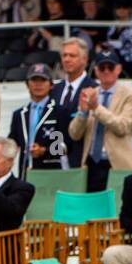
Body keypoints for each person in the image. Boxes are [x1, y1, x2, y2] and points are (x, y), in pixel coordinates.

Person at [69, 49, 132, 193]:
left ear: (118, 69)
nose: (106, 71)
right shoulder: (89, 94)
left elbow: (123, 127)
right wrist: (83, 113)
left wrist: (96, 108)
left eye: (110, 67)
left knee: (118, 205)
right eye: (102, 68)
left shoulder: (131, 95)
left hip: (117, 164)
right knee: (92, 206)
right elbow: (74, 134)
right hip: (91, 164)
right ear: (96, 71)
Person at [8, 64, 65, 177]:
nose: (38, 84)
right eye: (34, 80)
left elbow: (67, 146)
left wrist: (44, 150)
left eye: (43, 80)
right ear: (27, 84)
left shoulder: (60, 111)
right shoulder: (19, 114)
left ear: (51, 85)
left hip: (51, 171)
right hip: (25, 171)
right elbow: (12, 143)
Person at [52, 38, 99, 171]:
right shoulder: (54, 89)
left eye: (72, 56)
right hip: (56, 159)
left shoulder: (94, 89)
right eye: (64, 55)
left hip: (84, 160)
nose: (67, 59)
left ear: (84, 59)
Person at [102, 0, 132, 78]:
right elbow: (108, 39)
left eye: (125, 7)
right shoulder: (113, 24)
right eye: (118, 7)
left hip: (128, 59)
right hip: (113, 56)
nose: (121, 9)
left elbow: (126, 42)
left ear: (130, 9)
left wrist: (106, 45)